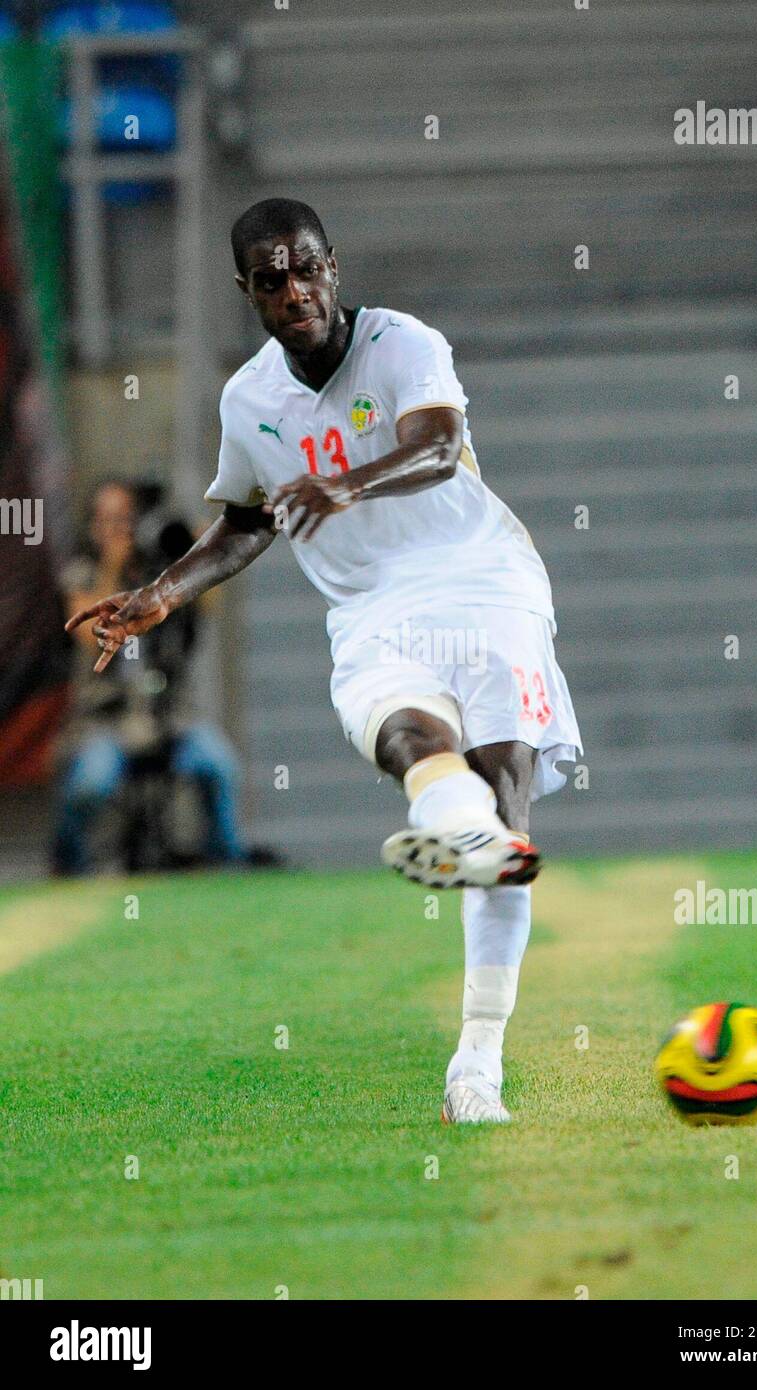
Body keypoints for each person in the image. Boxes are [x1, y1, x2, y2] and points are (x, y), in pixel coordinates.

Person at [65, 199, 583, 1123]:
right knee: (412, 743)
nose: (294, 291)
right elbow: (249, 519)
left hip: (484, 583)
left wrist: (342, 482)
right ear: (246, 292)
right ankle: (460, 830)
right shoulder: (249, 399)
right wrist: (161, 594)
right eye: (271, 279)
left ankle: (477, 1066)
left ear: (332, 266)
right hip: (373, 610)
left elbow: (432, 447)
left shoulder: (401, 343)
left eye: (307, 269)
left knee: (505, 808)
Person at [54, 479, 247, 874]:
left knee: (219, 766)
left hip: (170, 718)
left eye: (125, 519)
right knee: (92, 783)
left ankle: (229, 866)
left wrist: (199, 557)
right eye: (107, 520)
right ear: (92, 525)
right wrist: (112, 566)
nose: (118, 529)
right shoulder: (83, 572)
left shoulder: (159, 574)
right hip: (105, 721)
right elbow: (92, 639)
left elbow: (209, 603)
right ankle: (68, 867)